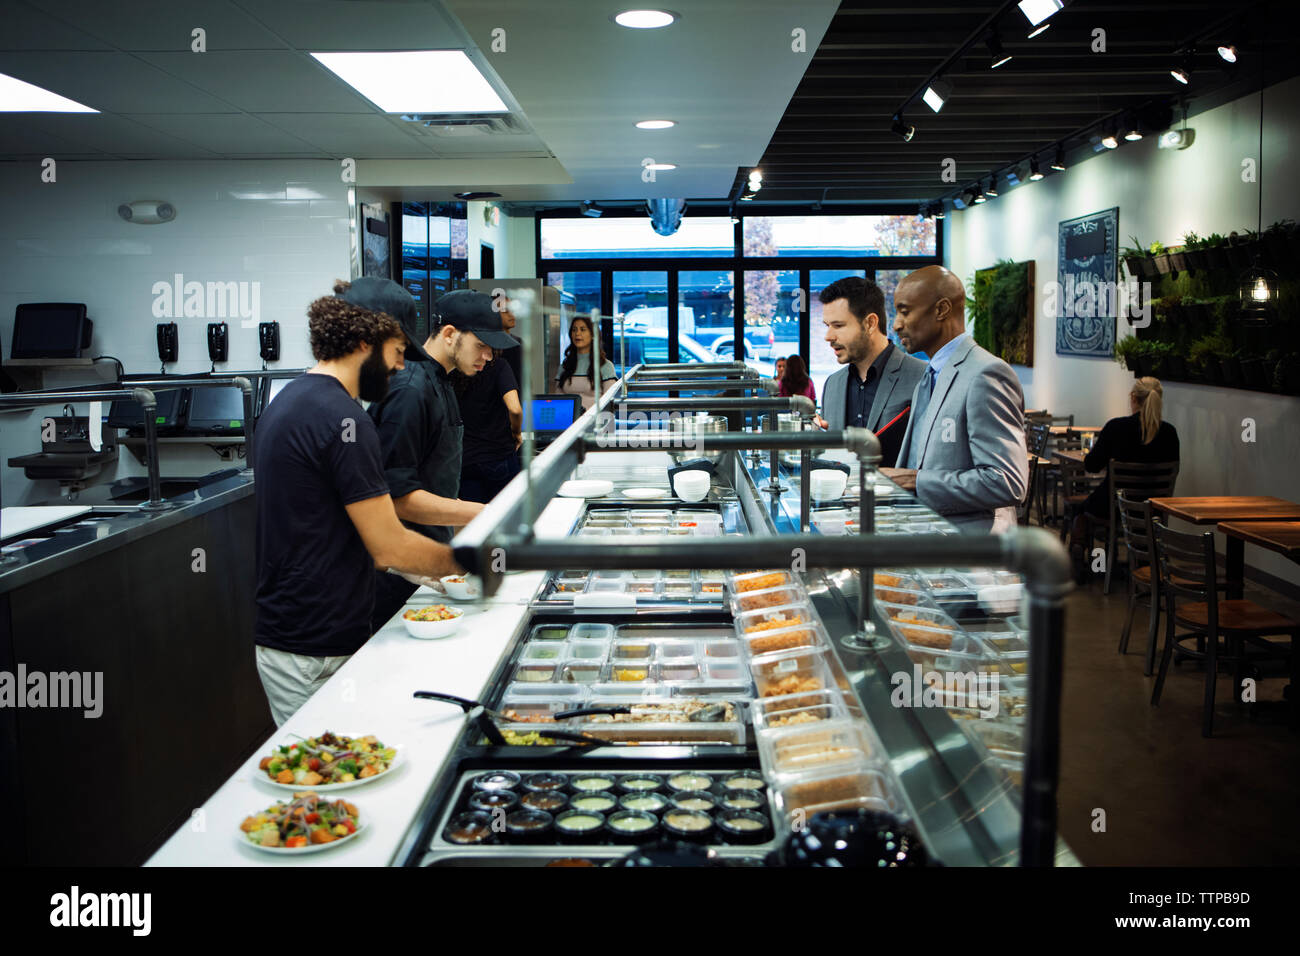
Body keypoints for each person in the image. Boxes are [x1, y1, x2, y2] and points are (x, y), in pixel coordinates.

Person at [254, 279, 462, 726]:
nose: (400, 366)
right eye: (397, 350)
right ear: (365, 340)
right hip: (313, 646)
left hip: (308, 635)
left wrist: (421, 571)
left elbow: (342, 530)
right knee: (328, 781)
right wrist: (472, 562)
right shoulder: (342, 418)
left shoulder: (296, 399)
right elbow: (388, 544)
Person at [367, 288, 520, 632]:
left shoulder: (444, 382)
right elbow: (398, 497)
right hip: (398, 571)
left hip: (429, 561)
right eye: (482, 346)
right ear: (450, 335)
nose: (489, 357)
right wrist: (483, 512)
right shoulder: (409, 389)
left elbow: (435, 476)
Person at [883, 265, 1028, 534]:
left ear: (941, 310)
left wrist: (914, 481)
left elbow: (1006, 481)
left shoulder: (986, 373)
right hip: (931, 544)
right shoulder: (931, 373)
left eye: (905, 311)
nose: (896, 324)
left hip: (971, 553)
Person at [1067, 376, 1179, 575]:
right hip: (1153, 508)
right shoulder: (1169, 433)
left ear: (1133, 398)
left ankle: (1080, 548)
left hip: (1115, 505)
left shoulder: (1116, 428)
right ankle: (1145, 564)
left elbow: (1092, 465)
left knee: (1082, 509)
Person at [815, 276, 927, 469]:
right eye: (827, 326)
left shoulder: (923, 377)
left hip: (900, 498)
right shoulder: (832, 384)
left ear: (870, 323)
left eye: (838, 325)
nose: (828, 336)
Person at [456, 344, 523, 503]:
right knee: (507, 517)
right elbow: (515, 409)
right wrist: (516, 433)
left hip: (466, 460)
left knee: (473, 521)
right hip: (498, 456)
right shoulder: (499, 366)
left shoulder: (456, 370)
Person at [556, 315, 616, 409]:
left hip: (595, 421)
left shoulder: (605, 366)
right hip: (568, 421)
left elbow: (610, 401)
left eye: (582, 329)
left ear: (592, 335)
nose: (577, 333)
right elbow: (557, 400)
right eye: (574, 330)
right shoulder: (564, 366)